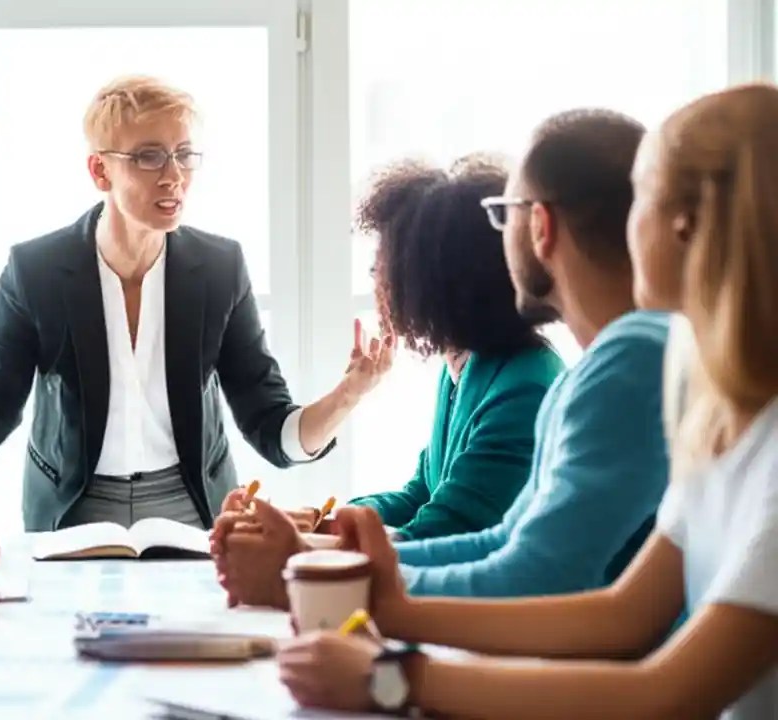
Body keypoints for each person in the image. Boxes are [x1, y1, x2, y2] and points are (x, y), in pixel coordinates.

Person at [279, 82, 778, 720]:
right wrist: (382, 603)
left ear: (683, 224)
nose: (623, 227)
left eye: (639, 200)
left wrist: (392, 676)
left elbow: (666, 691)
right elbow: (621, 615)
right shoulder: (723, 418)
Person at [0, 75, 391, 531]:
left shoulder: (219, 267)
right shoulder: (36, 270)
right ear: (100, 171)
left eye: (184, 154)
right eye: (148, 156)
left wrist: (350, 394)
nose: (174, 175)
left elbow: (273, 427)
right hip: (72, 506)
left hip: (193, 503)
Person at [213, 108, 669, 606]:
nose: (375, 280)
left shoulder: (548, 381)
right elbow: (437, 502)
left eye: (506, 212)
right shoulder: (484, 374)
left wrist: (305, 564)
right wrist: (320, 526)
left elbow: (502, 554)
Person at [332, 156, 563, 540]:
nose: (376, 281)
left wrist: (307, 544)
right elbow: (422, 494)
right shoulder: (462, 368)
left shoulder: (525, 389)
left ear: (432, 279)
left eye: (383, 267)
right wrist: (329, 517)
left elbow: (443, 532)